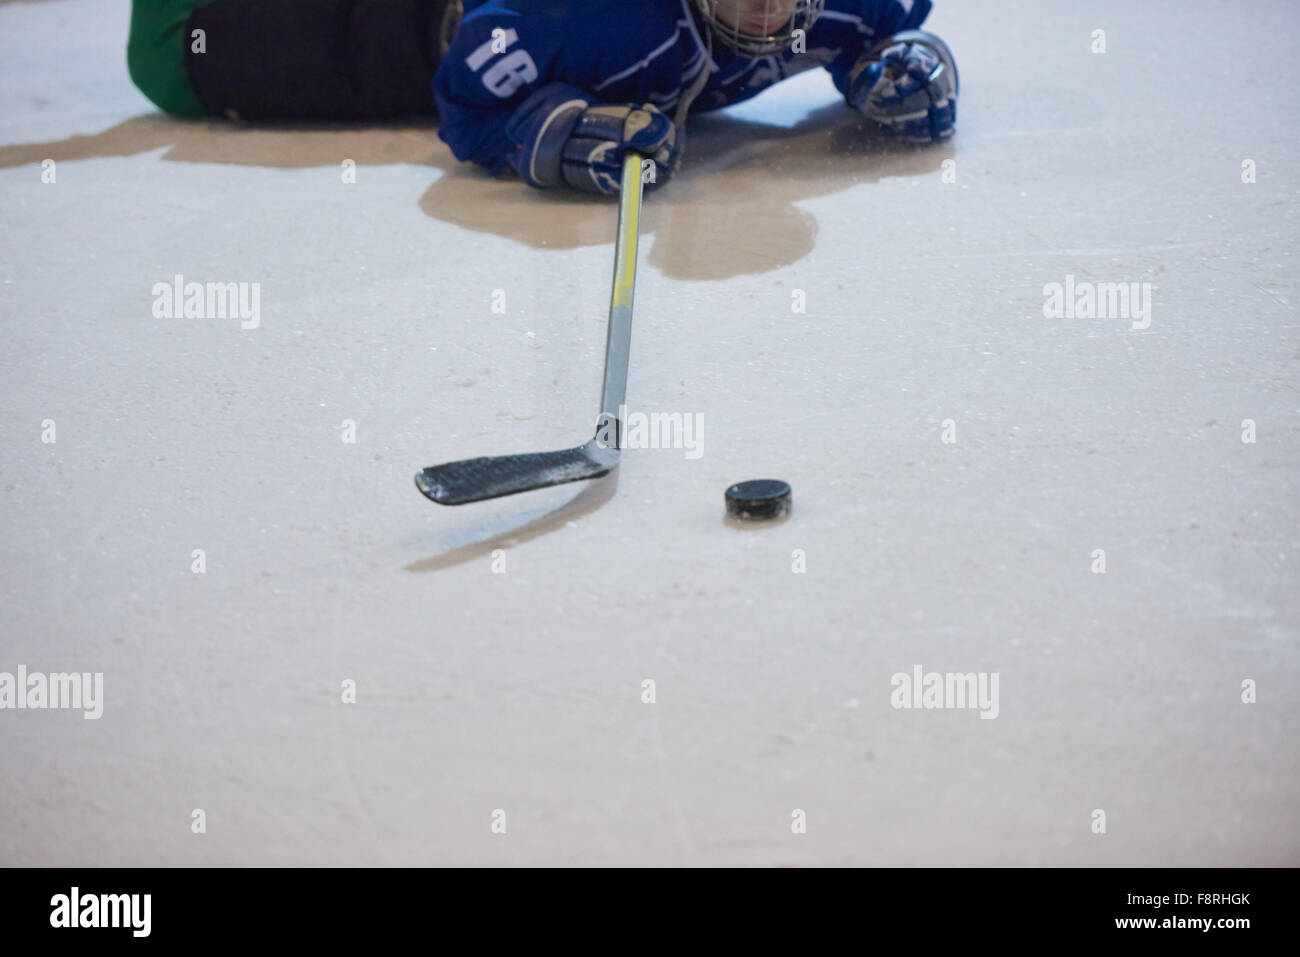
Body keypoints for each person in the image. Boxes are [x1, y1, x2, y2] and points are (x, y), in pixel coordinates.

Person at [127, 0, 957, 195]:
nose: (774, 14)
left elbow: (885, 30)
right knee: (175, 57)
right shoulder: (589, 17)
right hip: (418, 20)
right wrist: (547, 133)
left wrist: (890, 71)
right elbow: (464, 96)